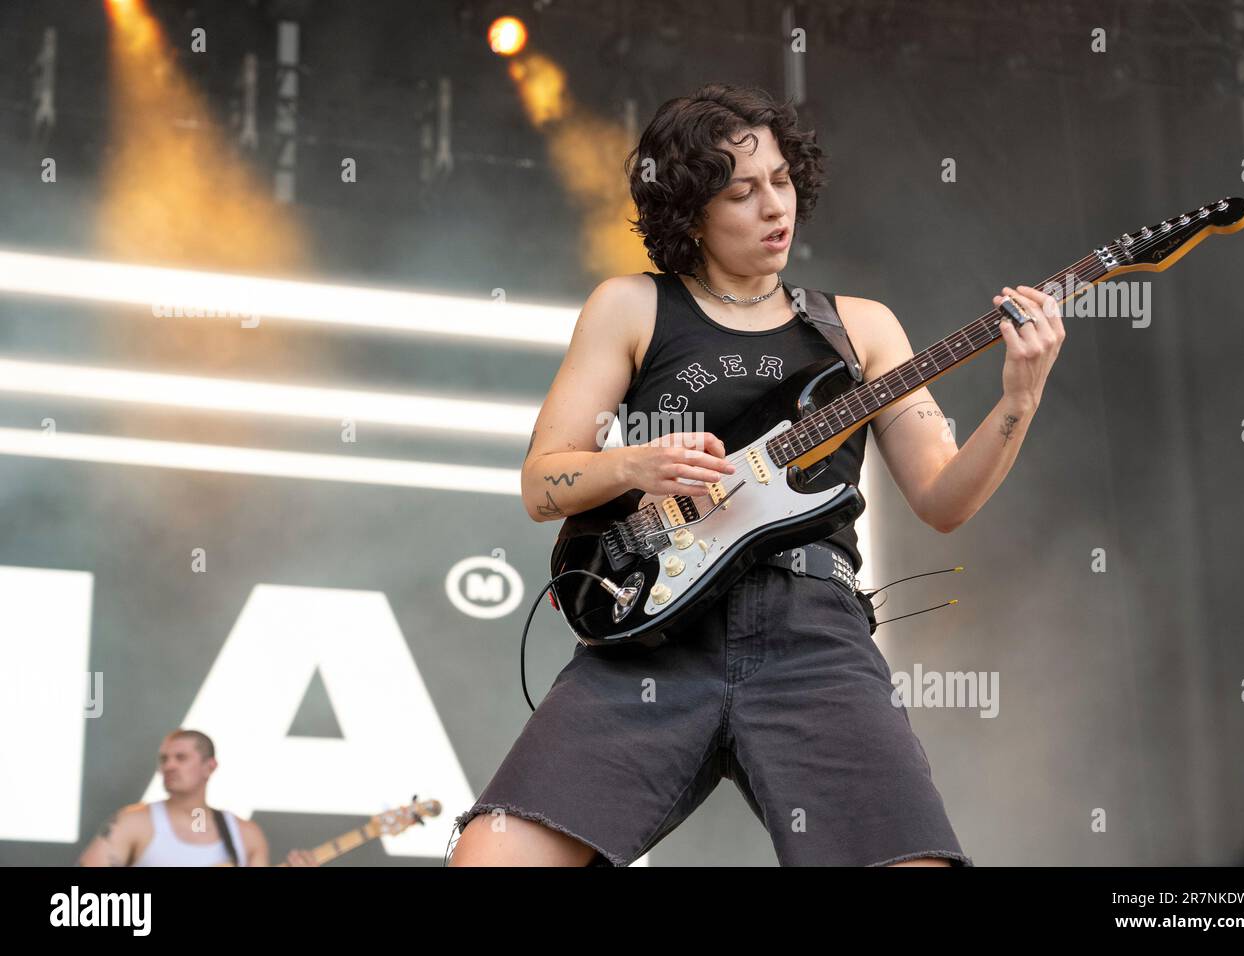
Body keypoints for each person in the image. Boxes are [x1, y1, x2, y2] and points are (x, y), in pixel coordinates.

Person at [450, 83, 1064, 866]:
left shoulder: (862, 327)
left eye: (781, 179)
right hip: (653, 633)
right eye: (742, 191)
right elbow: (543, 485)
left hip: (812, 632)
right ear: (689, 211)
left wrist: (1021, 397)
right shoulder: (632, 306)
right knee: (494, 856)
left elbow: (943, 500)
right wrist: (635, 463)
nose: (776, 206)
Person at [78, 729, 319, 867]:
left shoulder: (245, 835)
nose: (169, 766)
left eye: (181, 758)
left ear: (210, 766)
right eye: (164, 759)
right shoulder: (133, 823)